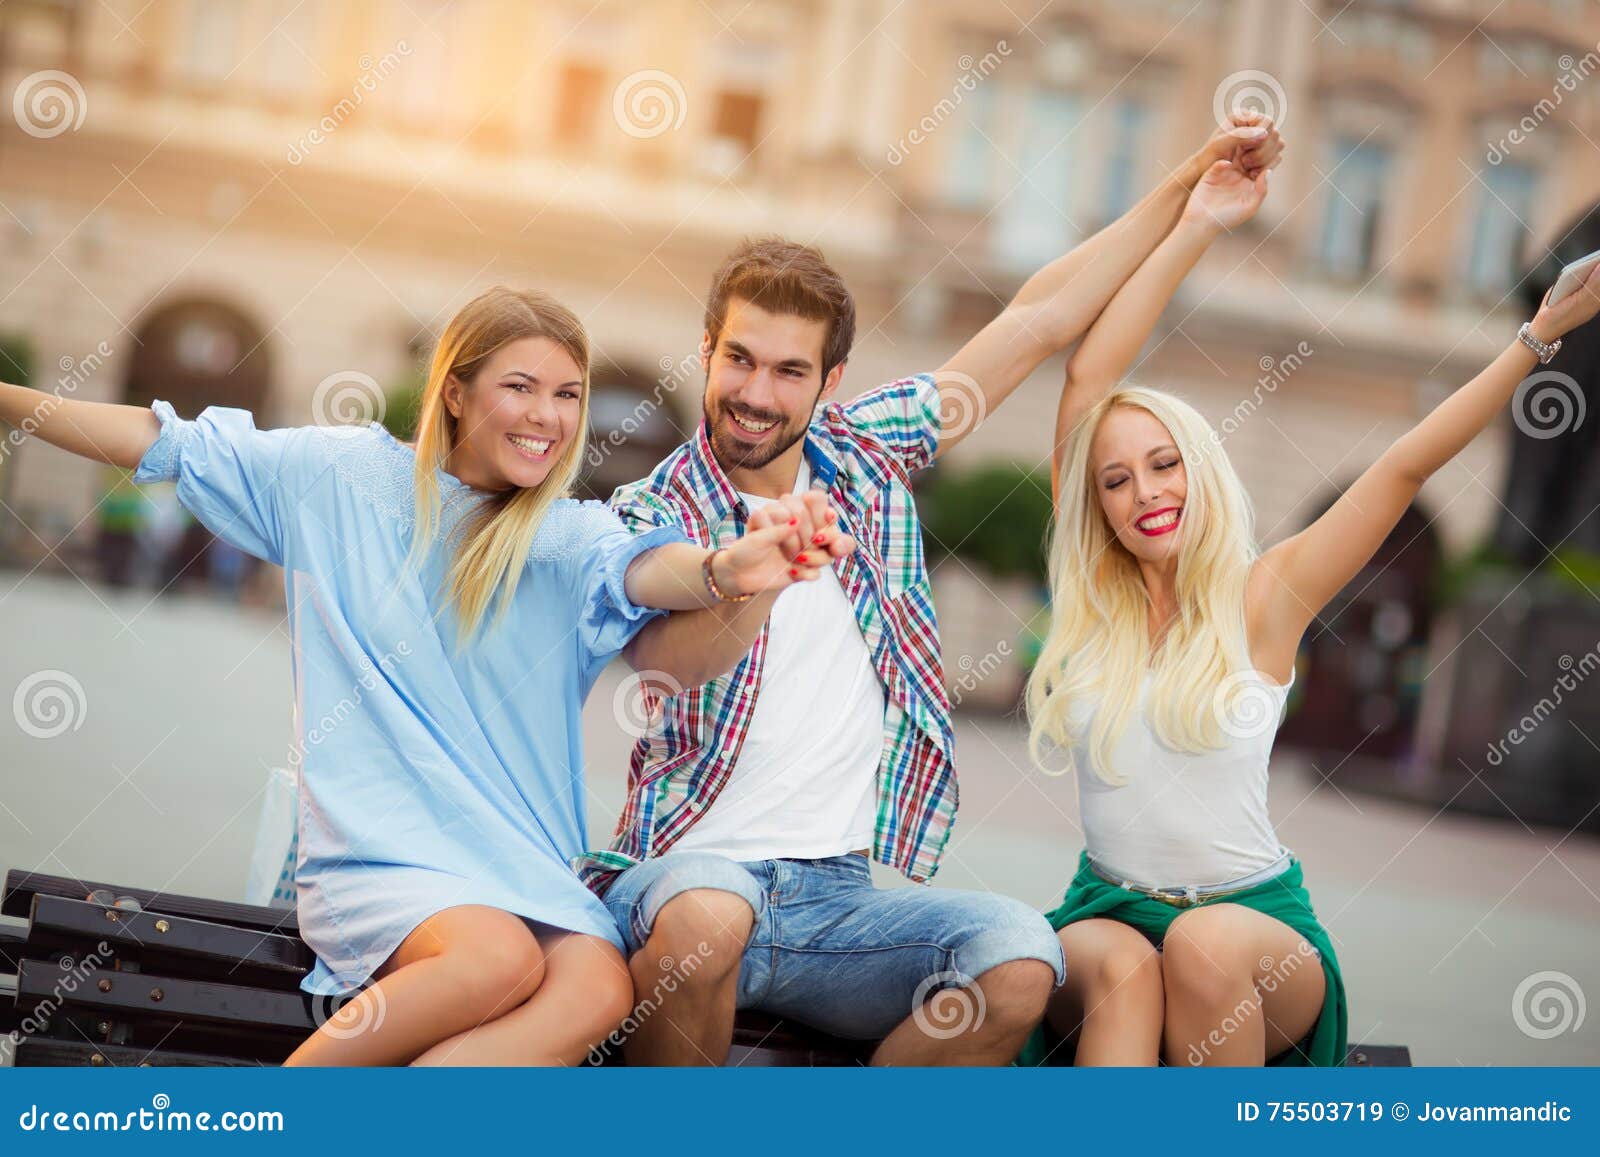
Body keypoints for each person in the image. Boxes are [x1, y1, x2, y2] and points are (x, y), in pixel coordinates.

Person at [583, 114, 1286, 1065]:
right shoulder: (645, 508)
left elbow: (1036, 319)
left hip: (836, 899)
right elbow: (665, 655)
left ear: (830, 382)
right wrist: (760, 575)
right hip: (681, 879)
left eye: (790, 371)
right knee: (710, 917)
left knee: (1018, 957)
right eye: (740, 358)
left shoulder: (866, 457)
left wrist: (1186, 190)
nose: (757, 391)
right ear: (706, 350)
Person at [0, 286, 853, 1066]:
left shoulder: (566, 536)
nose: (547, 417)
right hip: (379, 855)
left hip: (519, 863)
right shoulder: (339, 477)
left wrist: (743, 563)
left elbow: (662, 571)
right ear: (456, 390)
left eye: (567, 396)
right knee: (498, 957)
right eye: (521, 387)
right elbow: (164, 443)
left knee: (599, 985)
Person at [1020, 176, 1600, 1066]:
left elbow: (1403, 468)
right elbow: (1090, 374)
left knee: (1201, 944)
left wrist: (1536, 340)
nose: (1146, 491)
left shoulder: (1268, 593)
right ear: (1095, 504)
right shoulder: (1094, 610)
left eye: (1165, 463)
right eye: (1117, 478)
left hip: (1252, 923)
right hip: (1110, 909)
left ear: (1200, 471)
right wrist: (1198, 223)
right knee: (1131, 971)